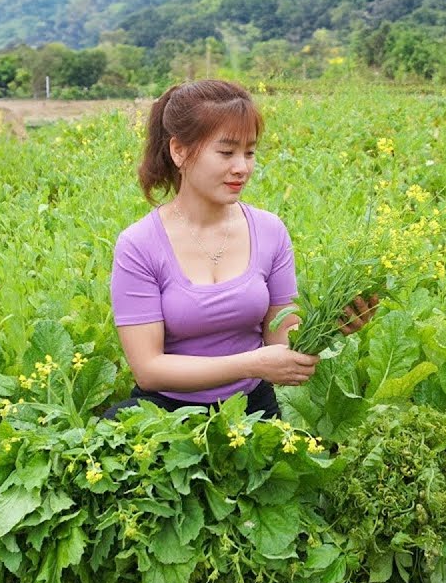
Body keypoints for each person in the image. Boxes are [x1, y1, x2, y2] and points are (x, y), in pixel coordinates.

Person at [105, 79, 374, 418]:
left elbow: (282, 339)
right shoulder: (139, 244)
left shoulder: (269, 231)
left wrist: (328, 328)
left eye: (249, 152)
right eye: (226, 152)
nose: (242, 168)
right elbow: (149, 369)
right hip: (165, 412)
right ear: (179, 151)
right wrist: (251, 364)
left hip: (251, 408)